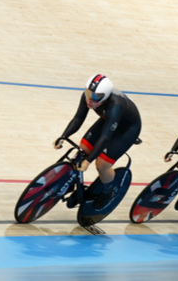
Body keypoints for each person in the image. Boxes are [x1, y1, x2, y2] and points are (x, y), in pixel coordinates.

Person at [54, 75, 141, 209]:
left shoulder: (115, 106)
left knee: (102, 164)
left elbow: (105, 137)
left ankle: (107, 192)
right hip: (109, 120)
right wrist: (64, 136)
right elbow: (78, 118)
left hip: (127, 129)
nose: (90, 100)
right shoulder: (89, 97)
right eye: (88, 93)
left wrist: (88, 161)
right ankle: (71, 182)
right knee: (82, 150)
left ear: (105, 97)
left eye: (95, 97)